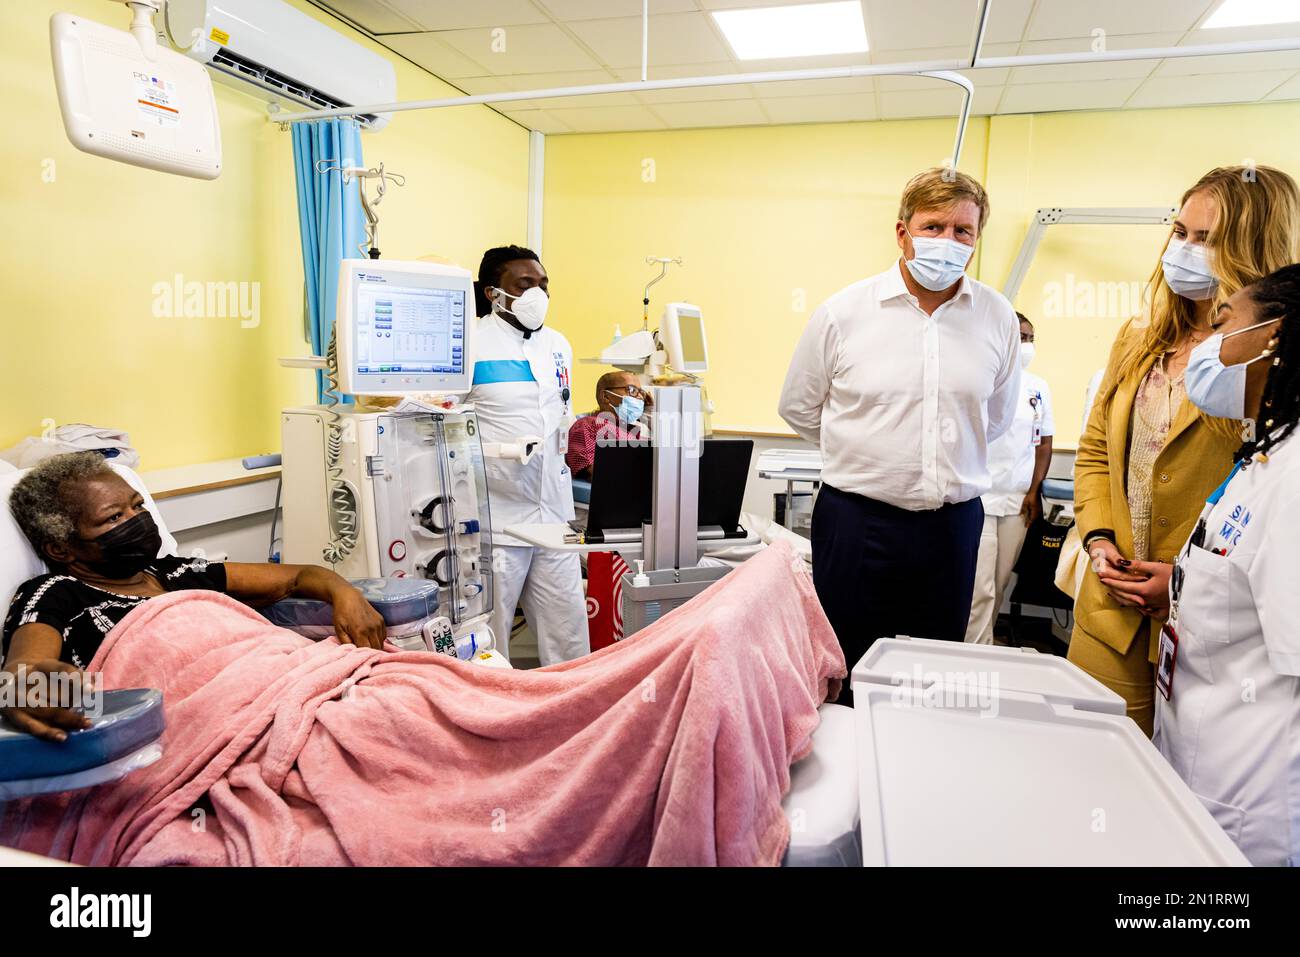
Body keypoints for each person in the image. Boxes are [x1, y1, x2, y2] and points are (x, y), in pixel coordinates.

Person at [1070, 166, 1300, 736]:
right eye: (1180, 233)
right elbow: (1098, 450)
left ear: (1249, 249)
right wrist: (1099, 542)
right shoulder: (1139, 336)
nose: (1184, 251)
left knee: (1188, 793)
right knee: (1090, 770)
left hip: (1213, 630)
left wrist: (1179, 580)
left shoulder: (1266, 357)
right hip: (1112, 607)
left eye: (1207, 240)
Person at [778, 167, 1021, 699]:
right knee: (844, 665)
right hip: (857, 523)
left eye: (963, 231)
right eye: (933, 226)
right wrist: (871, 453)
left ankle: (915, 772)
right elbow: (798, 407)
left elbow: (996, 418)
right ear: (902, 231)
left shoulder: (996, 317)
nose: (948, 241)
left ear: (976, 241)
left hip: (952, 529)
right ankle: (848, 777)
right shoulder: (844, 313)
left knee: (934, 673)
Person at [1, 452, 387, 742]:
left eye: (138, 506)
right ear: (60, 549)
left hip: (291, 684)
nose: (137, 520)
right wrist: (25, 686)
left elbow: (301, 577)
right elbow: (26, 668)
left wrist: (345, 593)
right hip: (214, 726)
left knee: (406, 704)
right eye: (114, 518)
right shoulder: (55, 593)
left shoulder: (177, 572)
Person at [1152, 267, 1300, 866]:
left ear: (1275, 337)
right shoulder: (1267, 450)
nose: (1207, 348)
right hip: (1197, 765)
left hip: (1250, 802)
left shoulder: (1294, 480)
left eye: (1224, 323)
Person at [469, 245, 589, 666]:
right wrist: (498, 451)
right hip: (498, 518)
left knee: (570, 631)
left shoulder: (558, 345)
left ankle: (574, 715)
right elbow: (440, 429)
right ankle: (492, 719)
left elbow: (562, 414)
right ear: (492, 293)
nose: (537, 293)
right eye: (525, 285)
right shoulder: (471, 344)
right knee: (489, 638)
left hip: (555, 515)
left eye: (543, 285)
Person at [964, 314, 1055, 645]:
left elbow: (1044, 443)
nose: (1024, 344)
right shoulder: (980, 380)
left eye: (1030, 337)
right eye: (1018, 336)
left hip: (1018, 500)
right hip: (980, 497)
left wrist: (1033, 491)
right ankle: (976, 652)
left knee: (1000, 582)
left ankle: (980, 641)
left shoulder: (1038, 387)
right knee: (979, 586)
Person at [566, 370, 651, 481]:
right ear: (606, 396)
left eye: (641, 392)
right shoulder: (587, 425)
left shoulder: (630, 430)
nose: (640, 397)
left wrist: (650, 413)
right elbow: (592, 471)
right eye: (632, 390)